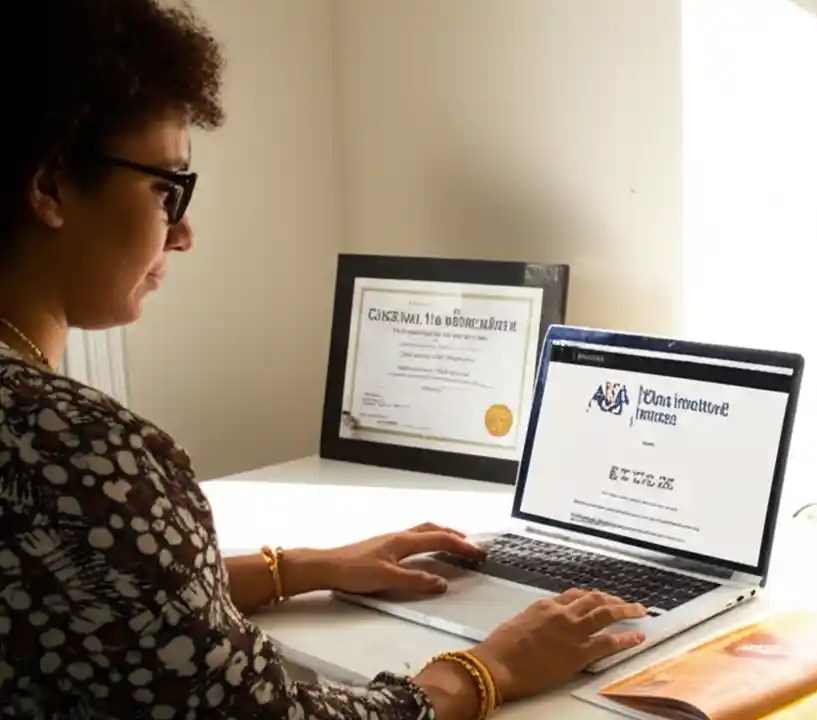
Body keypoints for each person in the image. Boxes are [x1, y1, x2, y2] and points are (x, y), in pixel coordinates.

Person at [0, 1, 647, 718]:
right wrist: (490, 666)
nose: (182, 232)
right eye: (166, 188)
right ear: (51, 186)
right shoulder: (80, 450)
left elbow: (94, 591)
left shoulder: (41, 444)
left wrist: (303, 567)